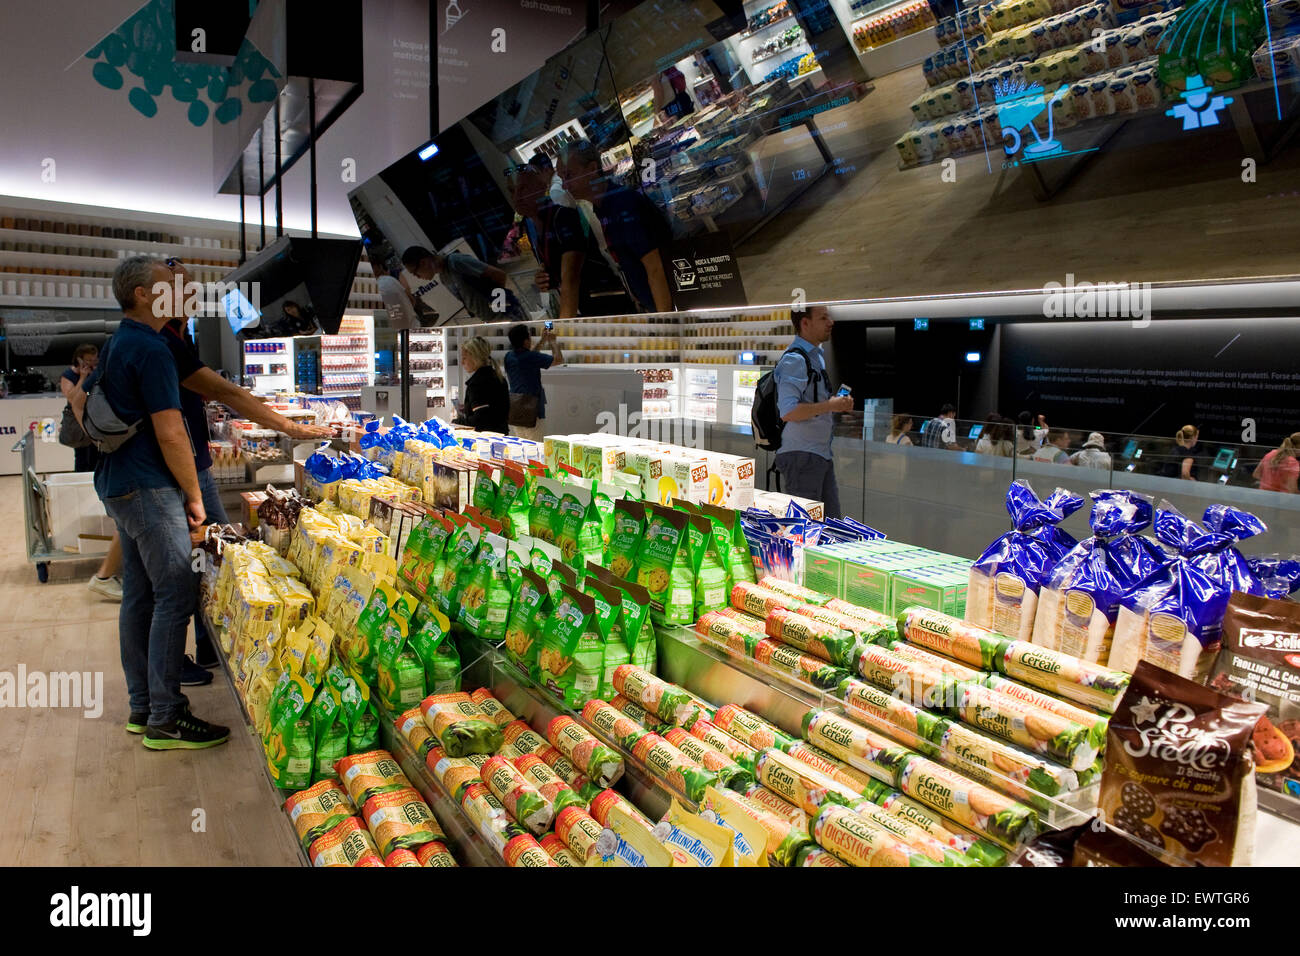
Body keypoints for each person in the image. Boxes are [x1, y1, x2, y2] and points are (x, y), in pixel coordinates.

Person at [80, 256, 228, 750]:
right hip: (148, 487)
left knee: (141, 595)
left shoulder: (120, 340)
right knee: (177, 592)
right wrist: (193, 496)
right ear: (143, 294)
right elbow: (170, 431)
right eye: (168, 284)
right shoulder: (153, 348)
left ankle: (143, 706)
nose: (179, 288)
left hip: (120, 483)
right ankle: (167, 717)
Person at [162, 260, 334, 671]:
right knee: (200, 560)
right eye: (184, 286)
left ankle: (210, 642)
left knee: (213, 553)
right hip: (186, 472)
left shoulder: (176, 336)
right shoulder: (164, 341)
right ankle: (181, 661)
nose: (194, 294)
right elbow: (225, 394)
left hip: (189, 467)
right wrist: (289, 426)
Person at [559, 141, 674, 315]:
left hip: (671, 307)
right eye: (562, 179)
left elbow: (656, 268)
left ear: (591, 169)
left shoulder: (622, 206)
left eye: (569, 176)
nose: (564, 186)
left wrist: (666, 322)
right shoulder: (603, 206)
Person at [774, 306, 852, 519]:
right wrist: (830, 405)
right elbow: (788, 411)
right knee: (807, 527)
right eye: (823, 318)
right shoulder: (795, 360)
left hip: (819, 455)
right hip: (802, 456)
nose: (831, 322)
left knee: (831, 524)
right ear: (805, 323)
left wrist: (836, 404)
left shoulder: (815, 357)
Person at [62, 344, 124, 600]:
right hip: (85, 432)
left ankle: (107, 573)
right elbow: (74, 400)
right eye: (88, 360)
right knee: (85, 472)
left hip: (98, 433)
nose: (92, 362)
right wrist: (85, 377)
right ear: (78, 360)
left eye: (95, 359)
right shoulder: (70, 375)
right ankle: (104, 575)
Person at [401, 245, 525, 323]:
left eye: (415, 273)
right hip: (494, 319)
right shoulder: (443, 275)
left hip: (507, 315)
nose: (417, 277)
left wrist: (500, 307)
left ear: (423, 263)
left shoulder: (456, 261)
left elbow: (498, 275)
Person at [504, 323, 563, 442]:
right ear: (526, 340)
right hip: (531, 410)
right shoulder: (530, 357)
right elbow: (558, 359)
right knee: (537, 446)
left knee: (522, 445)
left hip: (515, 409)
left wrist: (542, 340)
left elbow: (531, 355)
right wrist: (552, 341)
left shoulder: (509, 356)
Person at [455, 336, 510, 434]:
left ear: (475, 358)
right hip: (500, 434)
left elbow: (480, 420)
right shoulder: (497, 376)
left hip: (485, 439)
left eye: (464, 358)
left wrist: (457, 422)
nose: (462, 362)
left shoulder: (477, 383)